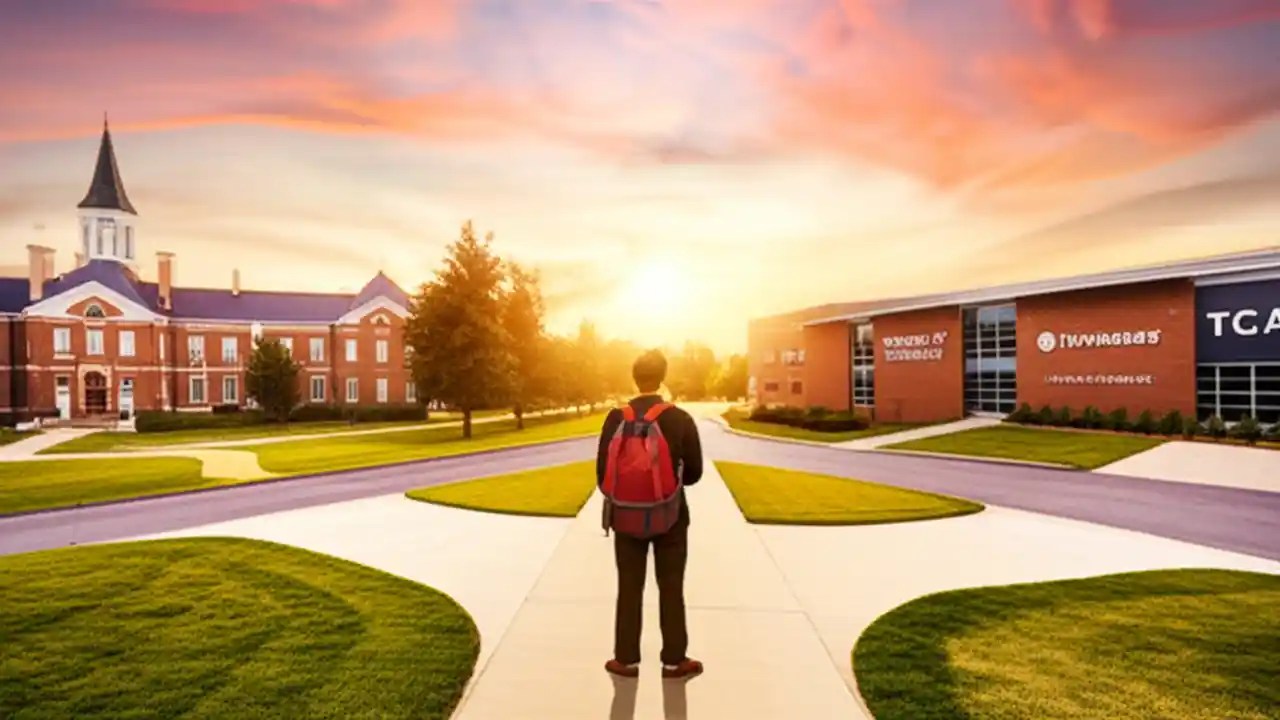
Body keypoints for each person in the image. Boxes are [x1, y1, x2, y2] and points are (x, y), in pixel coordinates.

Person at [596, 349, 704, 680]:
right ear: (662, 377)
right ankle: (674, 660)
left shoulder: (616, 418)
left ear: (635, 378)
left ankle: (625, 660)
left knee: (629, 587)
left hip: (626, 517)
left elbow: (602, 475)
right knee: (671, 586)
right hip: (670, 516)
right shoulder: (679, 418)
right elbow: (694, 474)